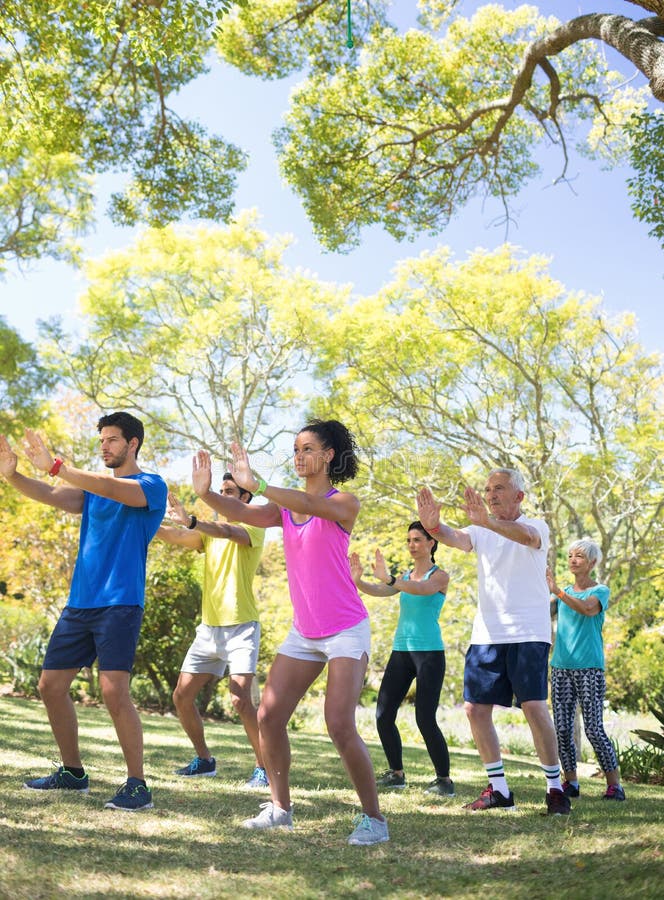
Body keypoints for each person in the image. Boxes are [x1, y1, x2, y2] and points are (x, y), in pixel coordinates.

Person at [193, 419, 389, 846]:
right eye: (296, 450)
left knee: (339, 723)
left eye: (308, 449)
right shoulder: (283, 508)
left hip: (345, 629)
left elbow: (307, 502)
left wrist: (259, 483)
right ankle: (280, 809)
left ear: (329, 455)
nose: (299, 456)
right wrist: (206, 495)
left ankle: (374, 819)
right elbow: (243, 513)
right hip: (305, 632)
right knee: (268, 715)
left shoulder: (344, 503)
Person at [0, 413, 167, 811]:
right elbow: (53, 494)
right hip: (80, 604)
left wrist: (58, 466)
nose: (104, 446)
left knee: (113, 690)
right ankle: (73, 773)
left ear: (133, 444)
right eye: (102, 440)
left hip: (120, 603)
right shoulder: (92, 491)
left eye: (113, 440)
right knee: (50, 686)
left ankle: (138, 785)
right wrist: (12, 476)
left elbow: (113, 488)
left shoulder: (151, 486)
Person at [417, 469, 571, 815]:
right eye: (487, 489)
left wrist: (486, 521)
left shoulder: (536, 526)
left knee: (534, 707)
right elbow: (455, 537)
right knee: (474, 708)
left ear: (519, 496)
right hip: (487, 633)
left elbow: (527, 537)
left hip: (528, 632)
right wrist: (433, 527)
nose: (490, 494)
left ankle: (554, 788)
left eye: (499, 488)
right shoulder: (480, 530)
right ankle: (499, 790)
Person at [155, 473, 268, 788]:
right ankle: (204, 761)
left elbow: (227, 530)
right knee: (181, 696)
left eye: (228, 491)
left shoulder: (253, 526)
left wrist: (192, 520)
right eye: (219, 490)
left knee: (240, 700)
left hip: (241, 627)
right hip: (209, 630)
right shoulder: (207, 534)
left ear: (245, 498)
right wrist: (145, 521)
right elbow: (178, 536)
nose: (220, 496)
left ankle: (264, 767)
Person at [350, 522, 454, 797]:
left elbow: (422, 589)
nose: (411, 545)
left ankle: (444, 780)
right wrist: (359, 581)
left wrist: (390, 579)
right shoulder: (406, 575)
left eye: (417, 539)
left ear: (431, 543)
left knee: (425, 718)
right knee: (383, 714)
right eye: (409, 540)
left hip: (429, 653)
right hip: (401, 651)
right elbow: (382, 590)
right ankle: (396, 774)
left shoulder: (439, 576)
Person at [546, 538, 625, 801]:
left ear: (591, 562)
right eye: (570, 555)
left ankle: (615, 786)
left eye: (579, 556)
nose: (573, 560)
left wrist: (558, 592)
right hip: (561, 668)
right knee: (562, 729)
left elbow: (588, 609)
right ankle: (571, 783)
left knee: (593, 729)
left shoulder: (600, 591)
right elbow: (541, 615)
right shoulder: (562, 594)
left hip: (590, 668)